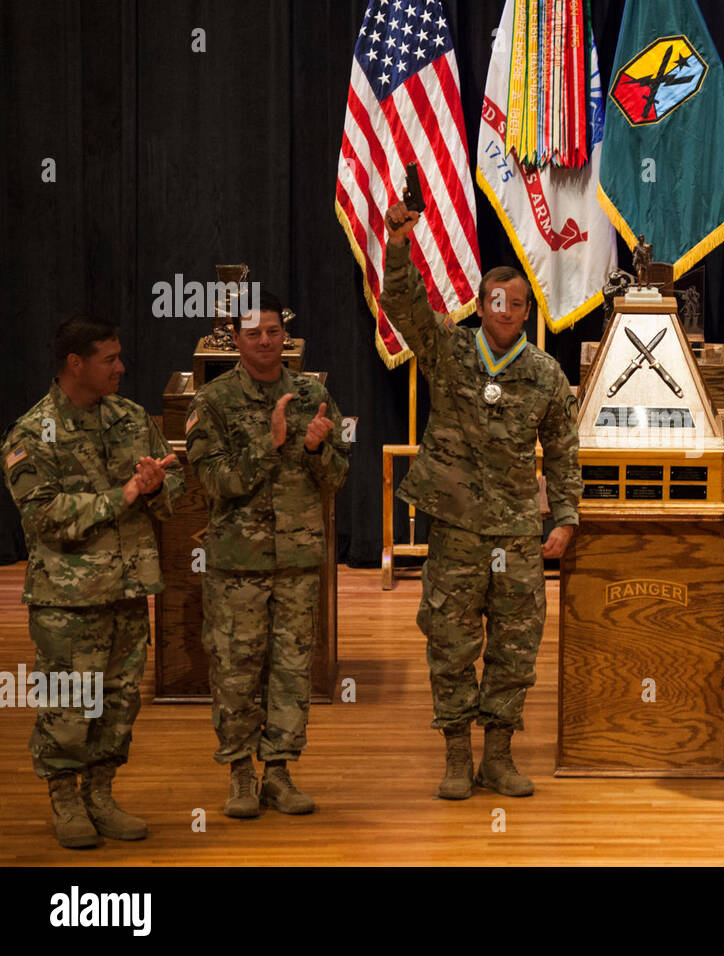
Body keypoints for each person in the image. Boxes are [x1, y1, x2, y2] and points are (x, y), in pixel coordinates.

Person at [380, 201, 580, 800]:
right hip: (456, 528)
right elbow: (405, 306)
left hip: (518, 531)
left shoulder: (546, 373)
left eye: (518, 303)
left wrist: (566, 517)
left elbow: (564, 453)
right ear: (483, 302)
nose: (507, 310)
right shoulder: (450, 351)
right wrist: (397, 243)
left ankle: (498, 755)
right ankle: (456, 756)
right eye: (497, 300)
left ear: (526, 310)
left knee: (516, 644)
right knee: (450, 637)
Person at [3, 316, 184, 848]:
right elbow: (43, 516)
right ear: (75, 364)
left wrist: (153, 488)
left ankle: (101, 795)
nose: (121, 368)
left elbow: (171, 488)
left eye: (120, 356)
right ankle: (65, 801)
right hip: (68, 601)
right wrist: (124, 495)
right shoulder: (31, 433)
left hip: (129, 591)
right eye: (109, 358)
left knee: (120, 702)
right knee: (69, 702)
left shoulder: (131, 418)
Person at [186, 294, 349, 818]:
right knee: (236, 669)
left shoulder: (313, 393)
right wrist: (271, 443)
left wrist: (320, 448)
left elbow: (338, 477)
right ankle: (239, 774)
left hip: (299, 560)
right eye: (253, 333)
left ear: (287, 337)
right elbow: (213, 481)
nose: (264, 341)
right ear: (235, 338)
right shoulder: (211, 401)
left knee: (292, 670)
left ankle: (278, 771)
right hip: (238, 564)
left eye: (274, 332)